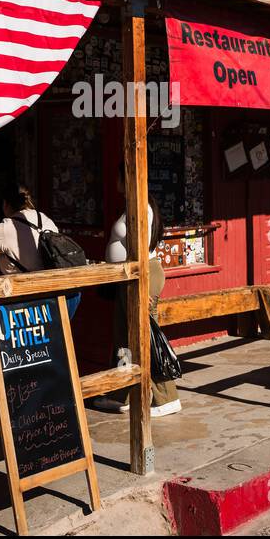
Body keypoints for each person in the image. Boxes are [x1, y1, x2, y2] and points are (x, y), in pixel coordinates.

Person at [90, 165, 182, 417]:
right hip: (127, 277)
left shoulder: (142, 206)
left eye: (118, 177)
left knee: (144, 335)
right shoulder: (133, 204)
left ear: (126, 178)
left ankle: (166, 396)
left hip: (142, 274)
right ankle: (122, 393)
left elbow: (139, 246)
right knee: (123, 337)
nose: (116, 182)